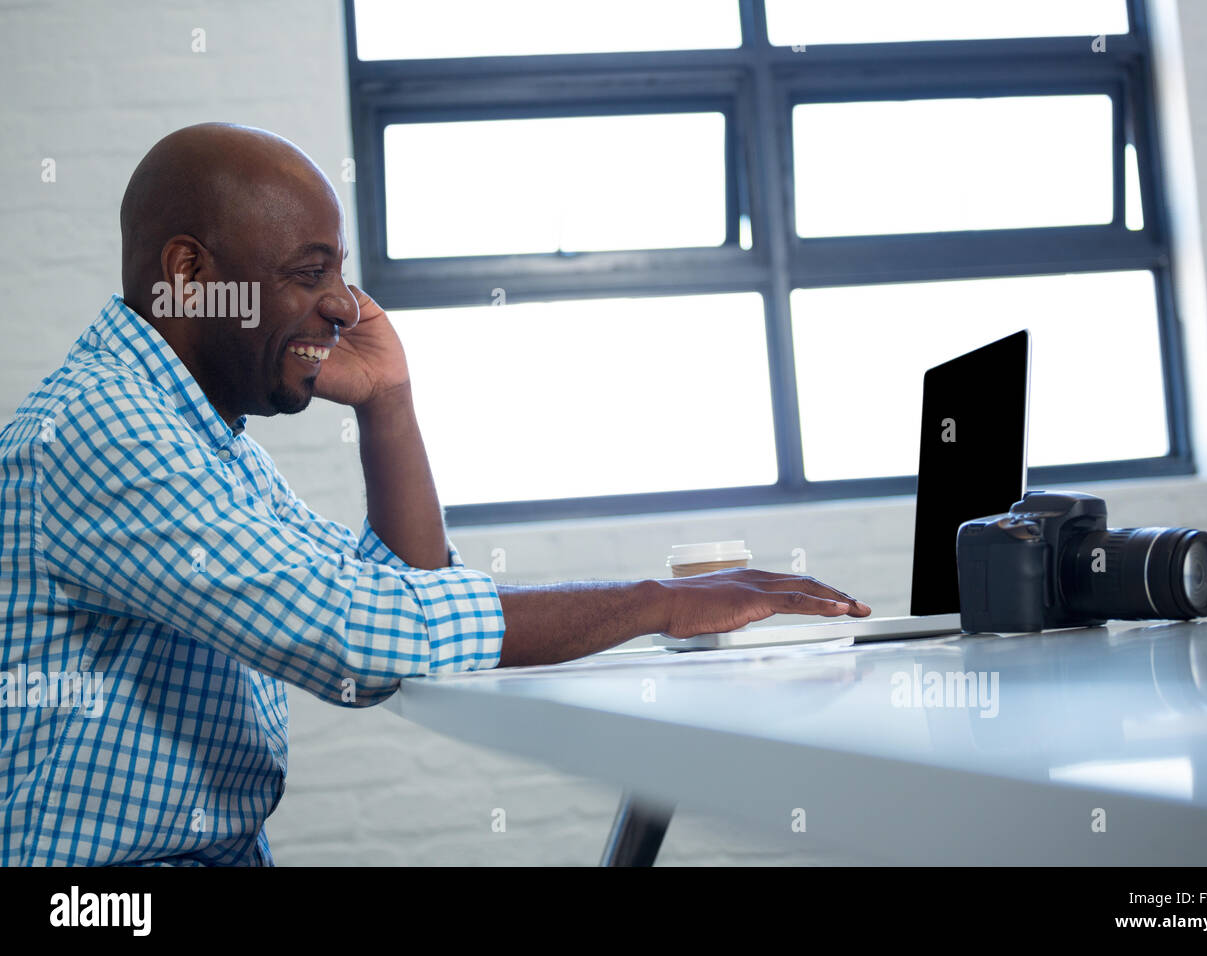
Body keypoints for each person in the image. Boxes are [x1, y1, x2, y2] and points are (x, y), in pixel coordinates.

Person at [0, 123, 870, 865]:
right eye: (308, 274)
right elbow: (362, 636)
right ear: (188, 271)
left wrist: (388, 404)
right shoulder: (104, 430)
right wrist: (661, 603)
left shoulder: (200, 442)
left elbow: (401, 593)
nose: (342, 304)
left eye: (336, 272)